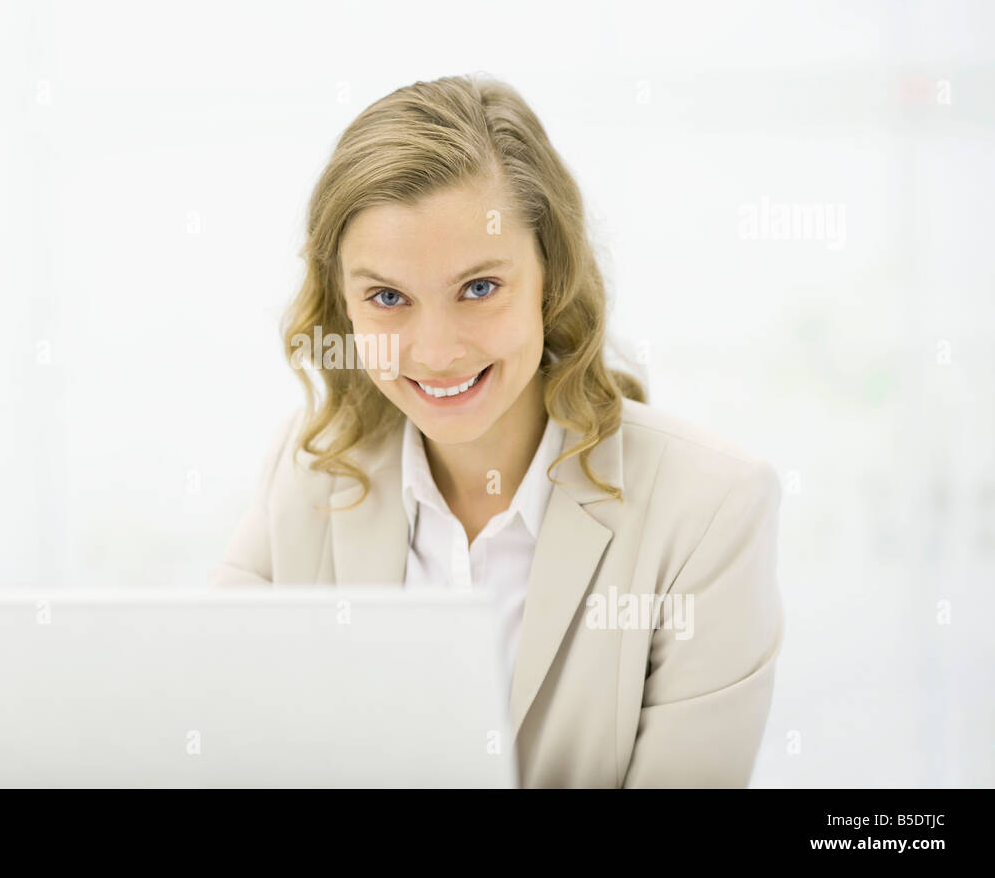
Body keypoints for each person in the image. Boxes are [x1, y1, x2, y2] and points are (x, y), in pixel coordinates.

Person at [208, 73, 784, 788]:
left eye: (479, 287)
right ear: (343, 306)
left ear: (554, 277)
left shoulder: (710, 510)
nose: (437, 350)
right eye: (388, 296)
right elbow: (226, 738)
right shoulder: (308, 471)